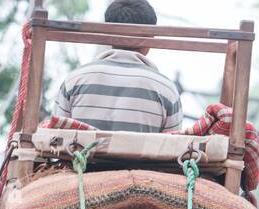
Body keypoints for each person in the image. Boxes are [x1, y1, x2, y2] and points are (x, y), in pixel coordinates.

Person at [51, 1, 183, 134]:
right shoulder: (166, 90)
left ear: (107, 33)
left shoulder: (74, 80)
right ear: (151, 37)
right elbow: (174, 149)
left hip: (80, 155)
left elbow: (54, 138)